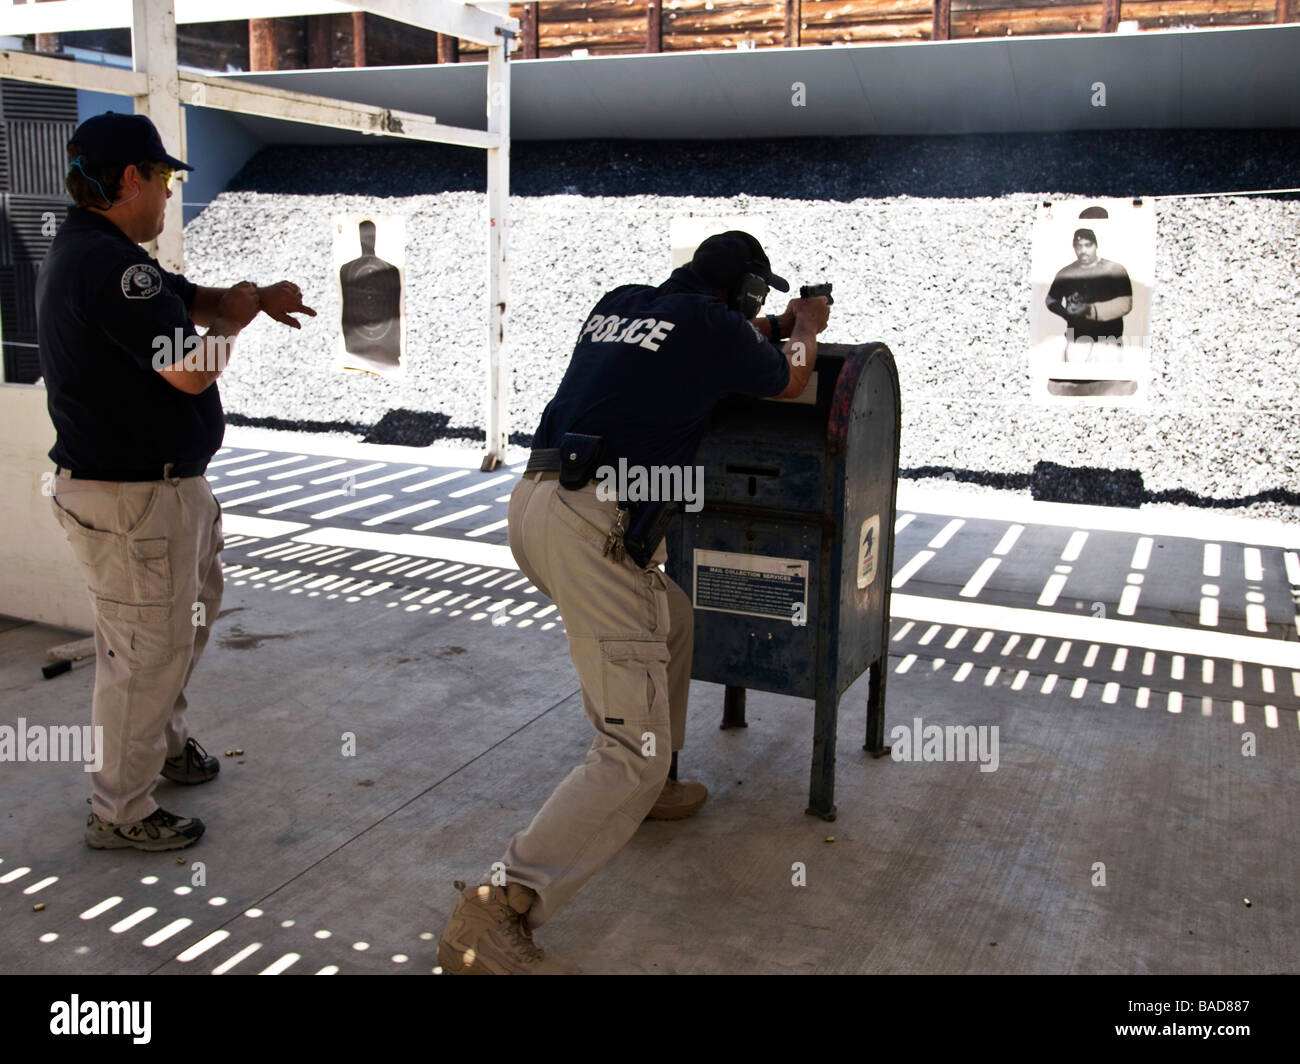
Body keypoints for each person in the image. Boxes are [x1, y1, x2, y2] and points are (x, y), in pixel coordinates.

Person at [438, 230, 831, 974]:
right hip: (596, 527)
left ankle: (653, 786)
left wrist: (767, 331)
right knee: (630, 749)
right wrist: (803, 329)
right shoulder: (717, 328)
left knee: (672, 617)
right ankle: (496, 910)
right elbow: (790, 380)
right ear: (747, 294)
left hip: (536, 505)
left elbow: (679, 357)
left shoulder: (626, 303)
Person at [37, 111, 316, 851]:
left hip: (158, 494)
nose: (167, 196)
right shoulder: (111, 263)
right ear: (131, 180)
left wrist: (239, 299)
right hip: (135, 500)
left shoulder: (102, 252)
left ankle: (161, 747)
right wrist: (235, 326)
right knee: (143, 652)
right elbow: (190, 367)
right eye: (163, 180)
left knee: (177, 628)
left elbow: (185, 298)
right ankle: (119, 810)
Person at [1045, 228, 1133, 364]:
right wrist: (1067, 314)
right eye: (1079, 246)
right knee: (1074, 382)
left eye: (1088, 245)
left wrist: (1089, 309)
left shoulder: (1114, 270)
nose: (1083, 250)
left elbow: (1125, 303)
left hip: (1108, 340)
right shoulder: (1066, 273)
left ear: (1096, 245)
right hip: (1077, 340)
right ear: (1074, 248)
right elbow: (1051, 300)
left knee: (1108, 383)